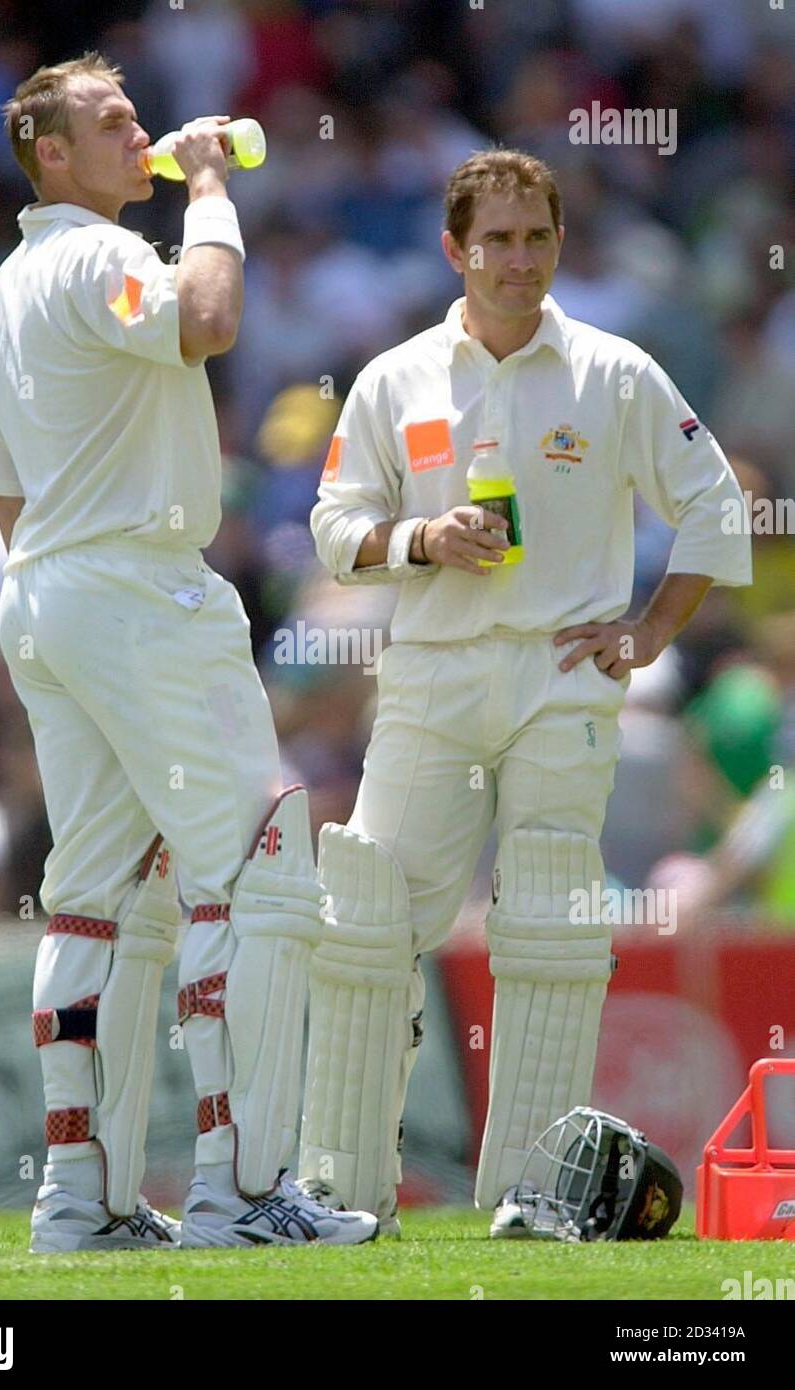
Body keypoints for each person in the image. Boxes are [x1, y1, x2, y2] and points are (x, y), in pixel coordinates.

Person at [297, 149, 752, 1231]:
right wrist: (420, 535)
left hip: (562, 671)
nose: (518, 259)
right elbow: (328, 529)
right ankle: (338, 1191)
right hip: (433, 670)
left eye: (537, 236)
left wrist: (647, 631)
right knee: (368, 924)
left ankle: (536, 1198)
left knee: (550, 929)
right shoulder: (394, 377)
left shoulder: (616, 372)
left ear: (559, 242)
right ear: (455, 249)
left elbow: (715, 504)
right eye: (496, 239)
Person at [0, 52, 376, 1252]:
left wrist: (76, 603)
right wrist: (209, 186)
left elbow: (5, 498)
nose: (142, 133)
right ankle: (242, 1192)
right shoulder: (105, 254)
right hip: (138, 588)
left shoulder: (5, 287)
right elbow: (209, 317)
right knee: (258, 870)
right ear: (50, 153)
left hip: (46, 590)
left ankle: (80, 1205)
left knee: (92, 898)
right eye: (112, 123)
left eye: (140, 118)